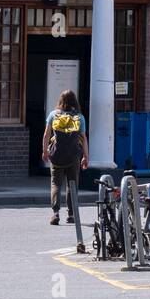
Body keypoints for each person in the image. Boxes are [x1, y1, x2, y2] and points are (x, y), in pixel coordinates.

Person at [42, 89, 89, 225]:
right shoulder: (79, 117)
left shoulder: (53, 115)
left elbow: (46, 135)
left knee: (56, 183)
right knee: (72, 184)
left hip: (56, 155)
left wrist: (45, 151)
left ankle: (55, 213)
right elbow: (83, 138)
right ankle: (71, 214)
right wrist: (85, 156)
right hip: (74, 156)